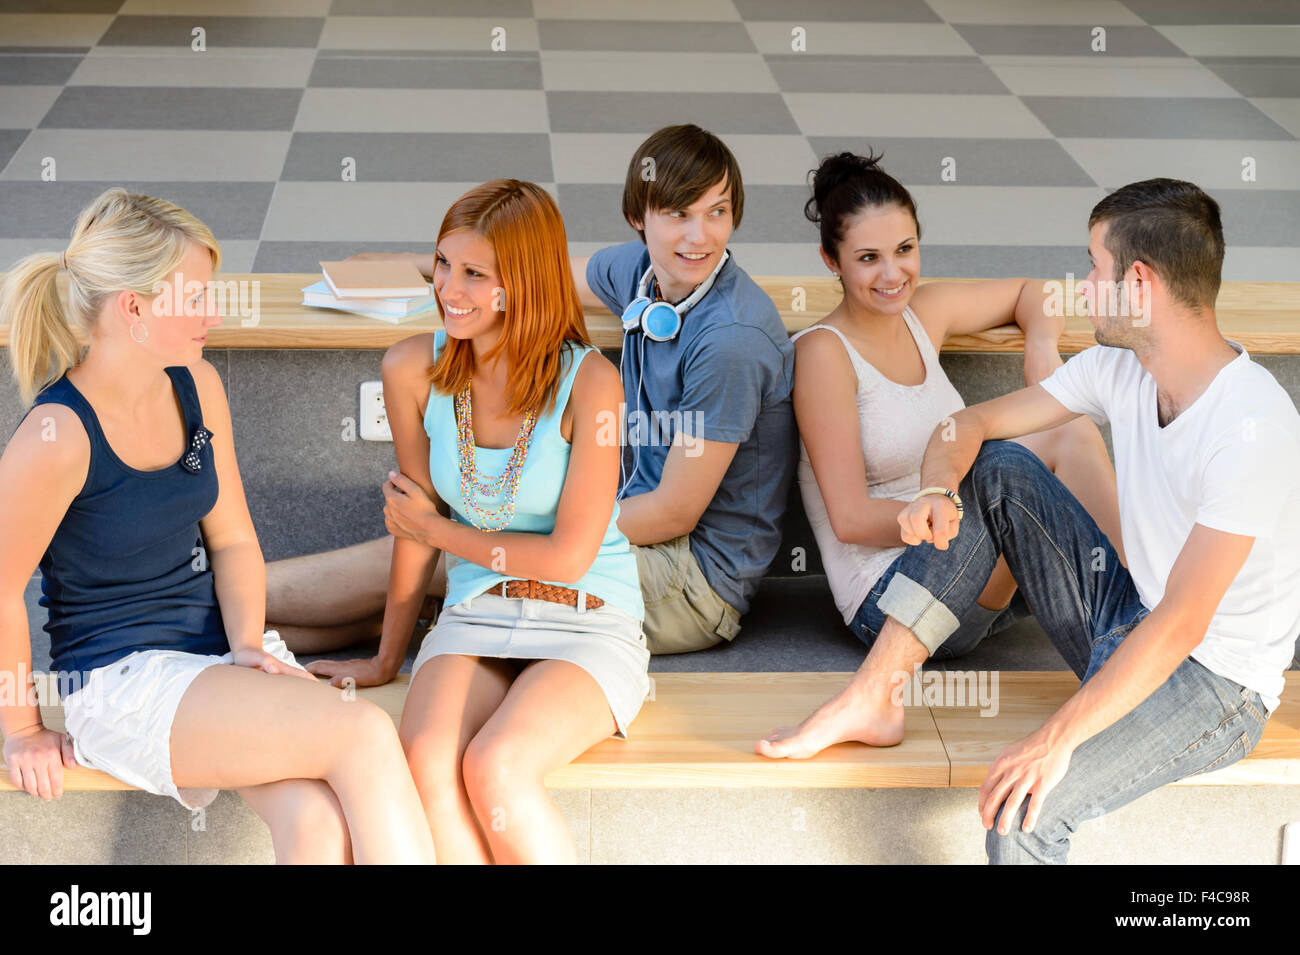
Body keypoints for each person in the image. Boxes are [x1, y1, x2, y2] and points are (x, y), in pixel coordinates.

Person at [758, 178, 1300, 865]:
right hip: (1132, 614)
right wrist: (936, 490)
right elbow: (970, 423)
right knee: (1000, 470)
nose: (1081, 284)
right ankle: (874, 693)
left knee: (1021, 816)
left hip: (1214, 682)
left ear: (1138, 282)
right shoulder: (1121, 369)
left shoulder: (1251, 427)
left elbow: (1184, 623)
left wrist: (1056, 738)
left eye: (1094, 268)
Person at [0, 188, 435, 865]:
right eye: (195, 296)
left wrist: (246, 643)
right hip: (122, 680)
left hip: (217, 655)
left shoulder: (196, 384)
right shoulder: (56, 436)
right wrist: (23, 727)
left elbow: (232, 539)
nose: (213, 311)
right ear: (134, 309)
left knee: (317, 821)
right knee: (365, 735)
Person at [264, 124, 798, 657]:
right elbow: (531, 274)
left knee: (427, 551)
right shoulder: (641, 271)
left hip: (690, 580)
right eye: (679, 213)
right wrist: (414, 266)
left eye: (717, 212)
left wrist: (522, 536)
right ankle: (227, 613)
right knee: (427, 559)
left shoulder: (732, 340)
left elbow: (670, 514)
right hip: (619, 534)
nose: (699, 236)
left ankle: (228, 591)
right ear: (640, 218)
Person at [308, 180, 649, 864]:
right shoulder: (410, 369)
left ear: (522, 283)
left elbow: (568, 556)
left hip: (585, 617)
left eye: (473, 274)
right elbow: (412, 525)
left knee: (496, 765)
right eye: (442, 265)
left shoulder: (592, 384)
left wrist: (440, 533)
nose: (448, 290)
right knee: (426, 766)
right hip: (476, 611)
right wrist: (385, 656)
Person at [791, 151, 1122, 660]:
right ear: (831, 261)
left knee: (1069, 430)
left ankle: (1137, 603)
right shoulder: (823, 353)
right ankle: (1131, 628)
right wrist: (963, 519)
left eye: (905, 249)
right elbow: (851, 520)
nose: (892, 273)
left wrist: (1040, 345)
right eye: (868, 258)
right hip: (893, 600)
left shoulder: (923, 311)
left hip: (973, 567)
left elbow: (1035, 293)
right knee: (1003, 483)